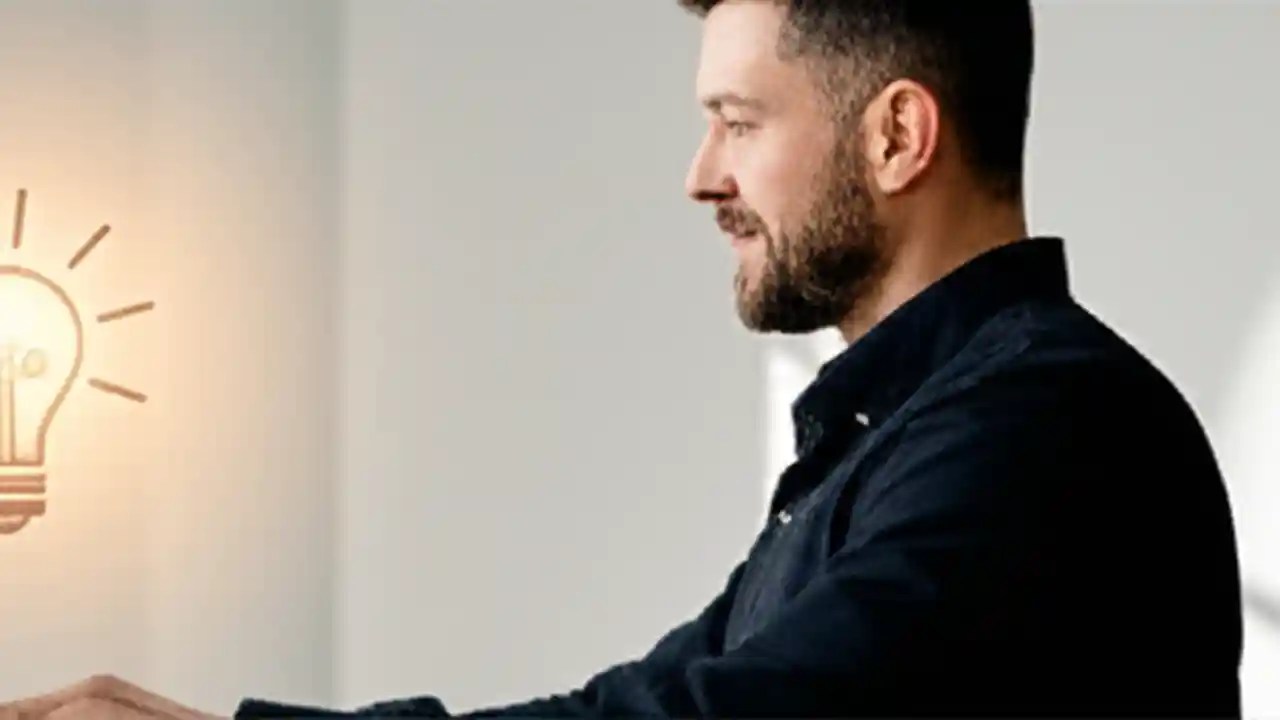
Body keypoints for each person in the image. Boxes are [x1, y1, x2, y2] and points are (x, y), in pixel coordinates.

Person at [2, 0, 1244, 717]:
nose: (700, 175)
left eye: (736, 123)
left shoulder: (1040, 429)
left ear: (896, 136)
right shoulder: (910, 435)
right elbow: (641, 700)